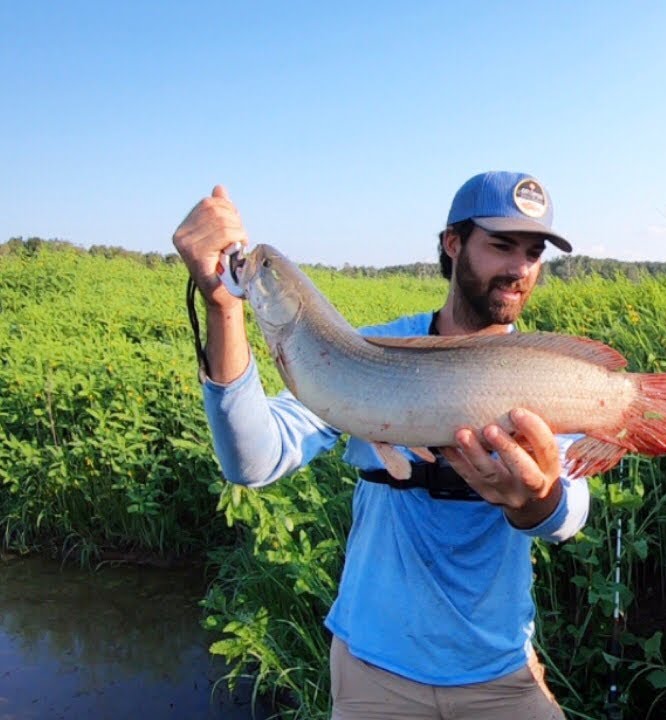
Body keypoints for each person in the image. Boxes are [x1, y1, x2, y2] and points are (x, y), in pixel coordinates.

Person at [172, 171, 589, 720]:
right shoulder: (366, 352)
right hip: (374, 675)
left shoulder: (543, 374)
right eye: (501, 245)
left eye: (534, 252)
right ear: (453, 243)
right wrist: (224, 309)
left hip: (500, 674)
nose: (519, 268)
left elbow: (568, 516)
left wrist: (535, 498)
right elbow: (254, 459)